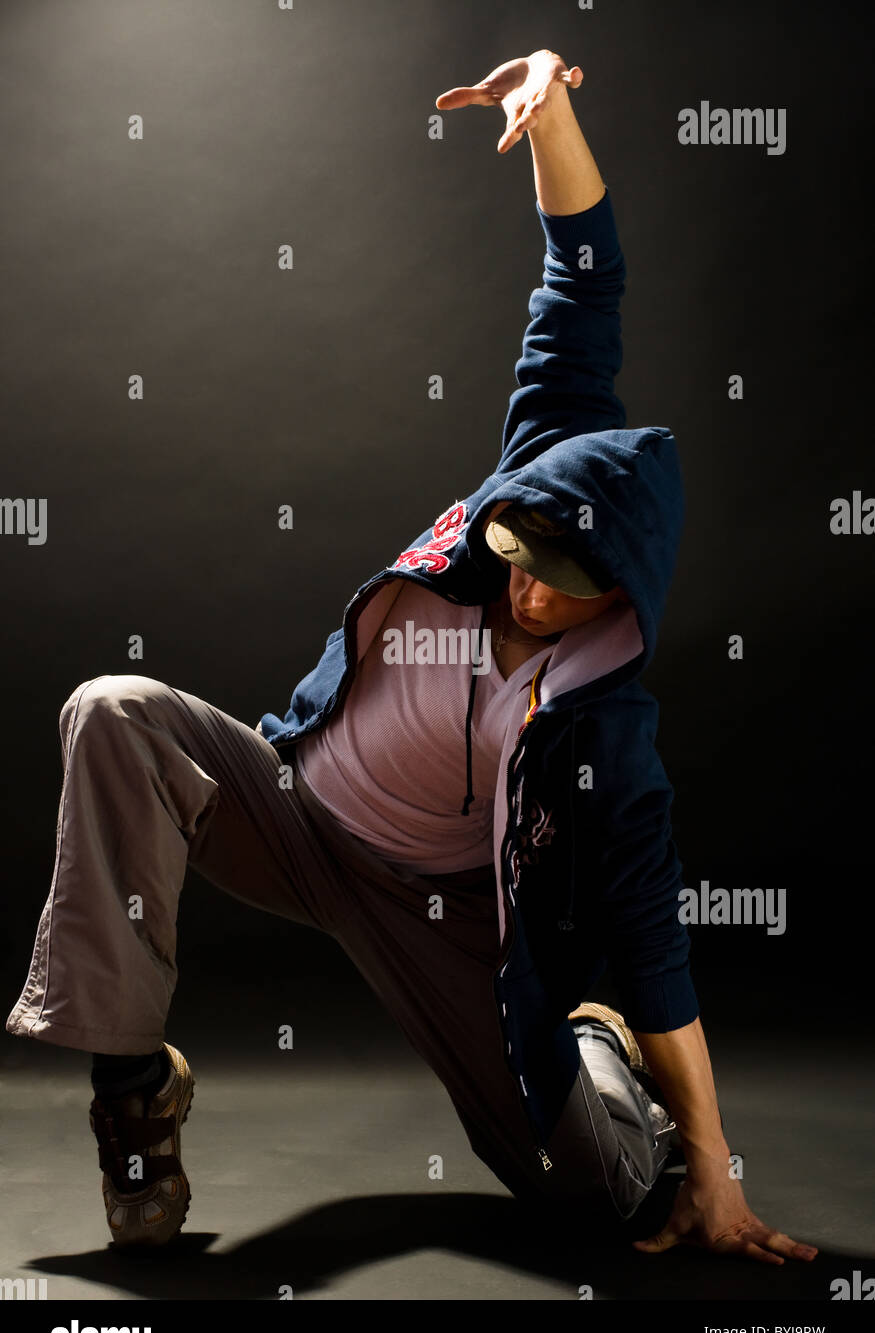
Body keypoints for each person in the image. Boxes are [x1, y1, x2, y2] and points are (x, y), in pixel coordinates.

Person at [6, 49, 817, 1268]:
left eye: (566, 586)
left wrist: (718, 1178)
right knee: (112, 708)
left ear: (621, 597)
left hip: (447, 922)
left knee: (606, 1209)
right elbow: (581, 279)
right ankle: (132, 1089)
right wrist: (552, 109)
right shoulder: (543, 443)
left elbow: (657, 944)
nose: (531, 590)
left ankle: (587, 1058)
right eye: (521, 555)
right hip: (293, 807)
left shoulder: (607, 730)